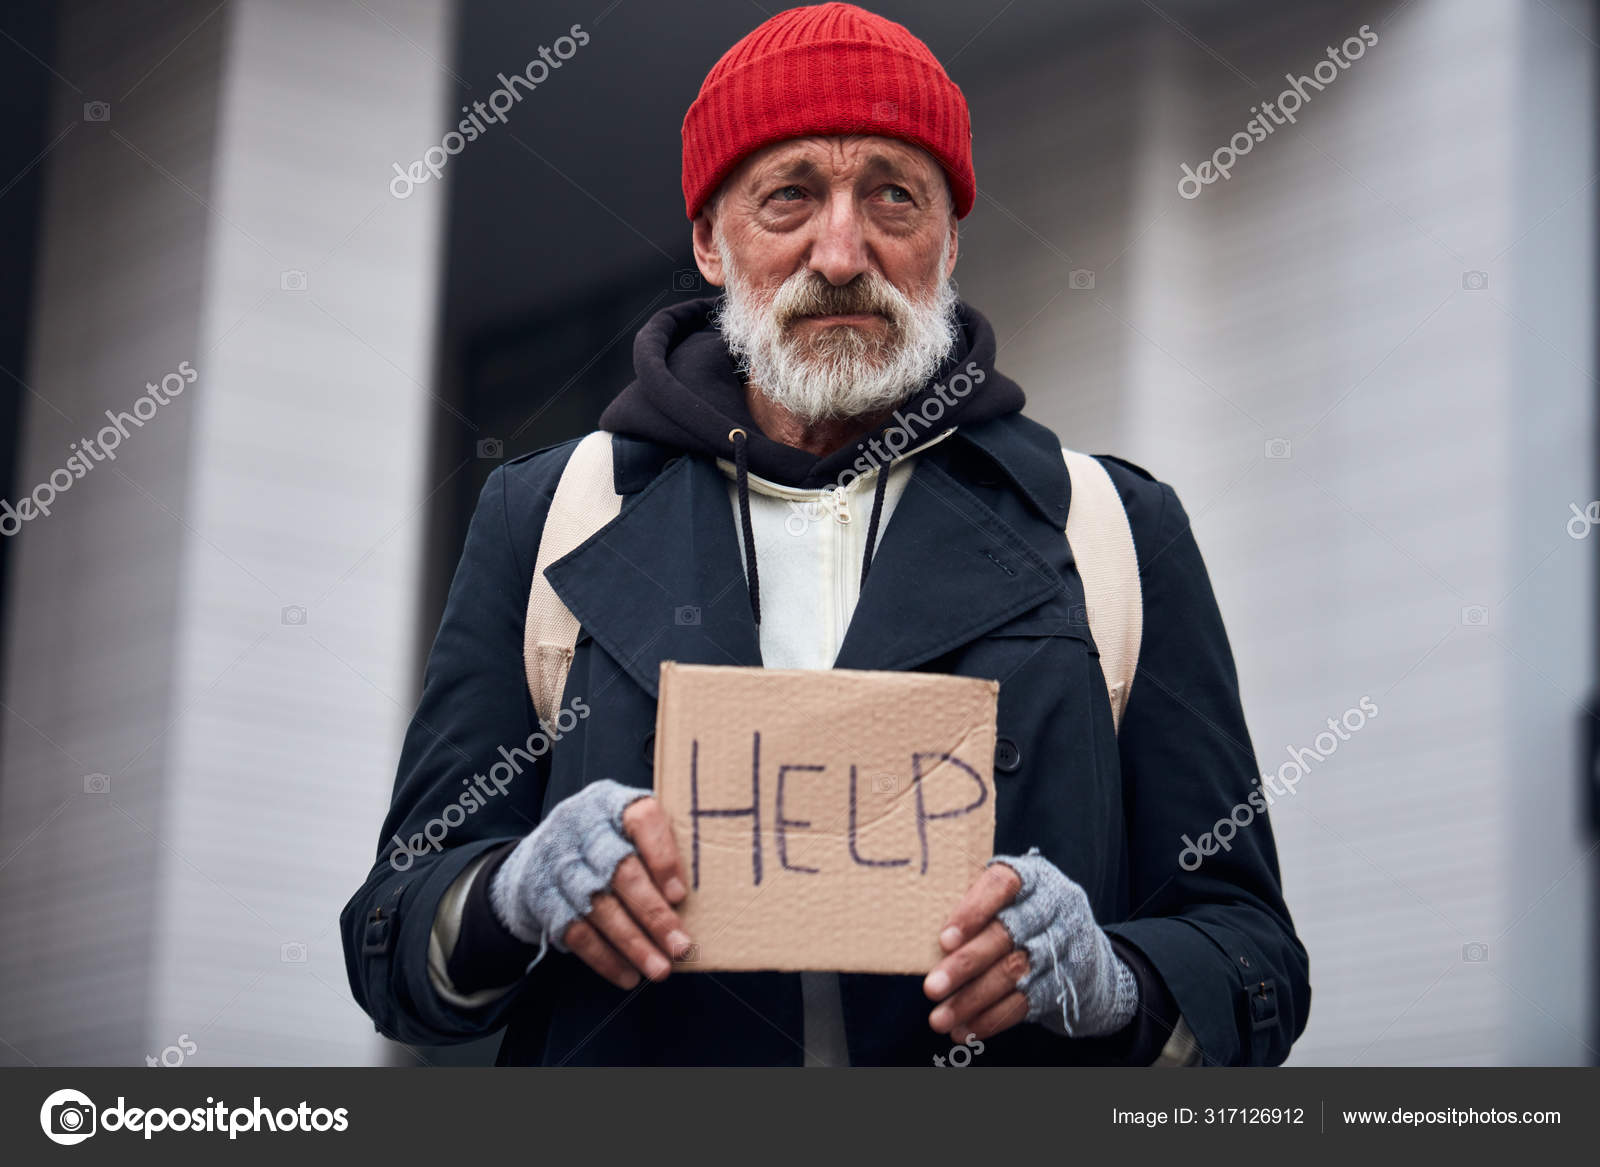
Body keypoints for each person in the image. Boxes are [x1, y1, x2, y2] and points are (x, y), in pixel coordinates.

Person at [341, 1, 1309, 1067]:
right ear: (710, 242)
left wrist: (1111, 981)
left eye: (893, 194)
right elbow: (392, 940)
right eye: (789, 195)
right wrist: (512, 892)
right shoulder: (551, 515)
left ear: (949, 241)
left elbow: (1253, 958)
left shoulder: (1112, 531)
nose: (841, 253)